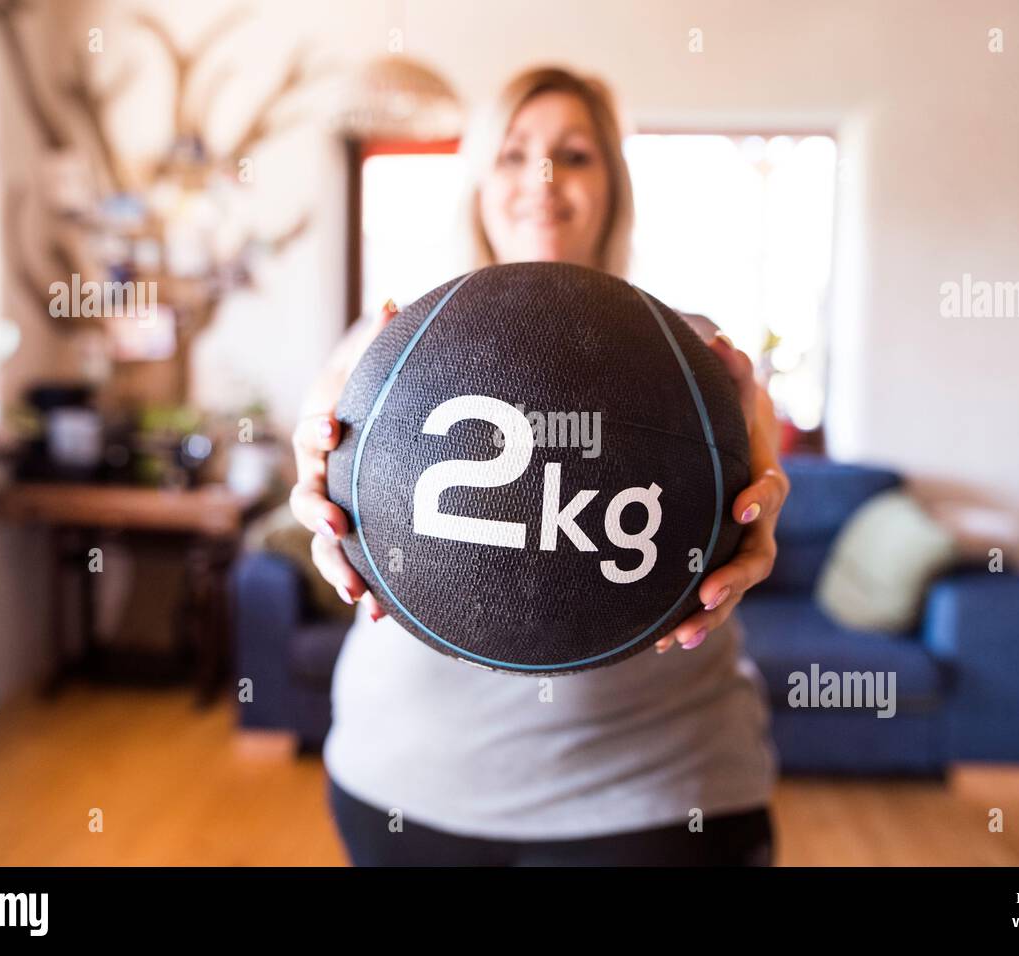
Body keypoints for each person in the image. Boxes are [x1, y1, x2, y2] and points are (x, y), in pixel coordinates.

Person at [288, 65, 790, 866]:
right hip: (406, 788)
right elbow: (315, 439)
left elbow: (751, 447)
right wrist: (312, 481)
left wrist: (760, 508)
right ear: (479, 181)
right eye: (514, 154)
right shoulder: (386, 346)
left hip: (656, 796)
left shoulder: (692, 359)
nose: (543, 179)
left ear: (614, 186)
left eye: (575, 154)